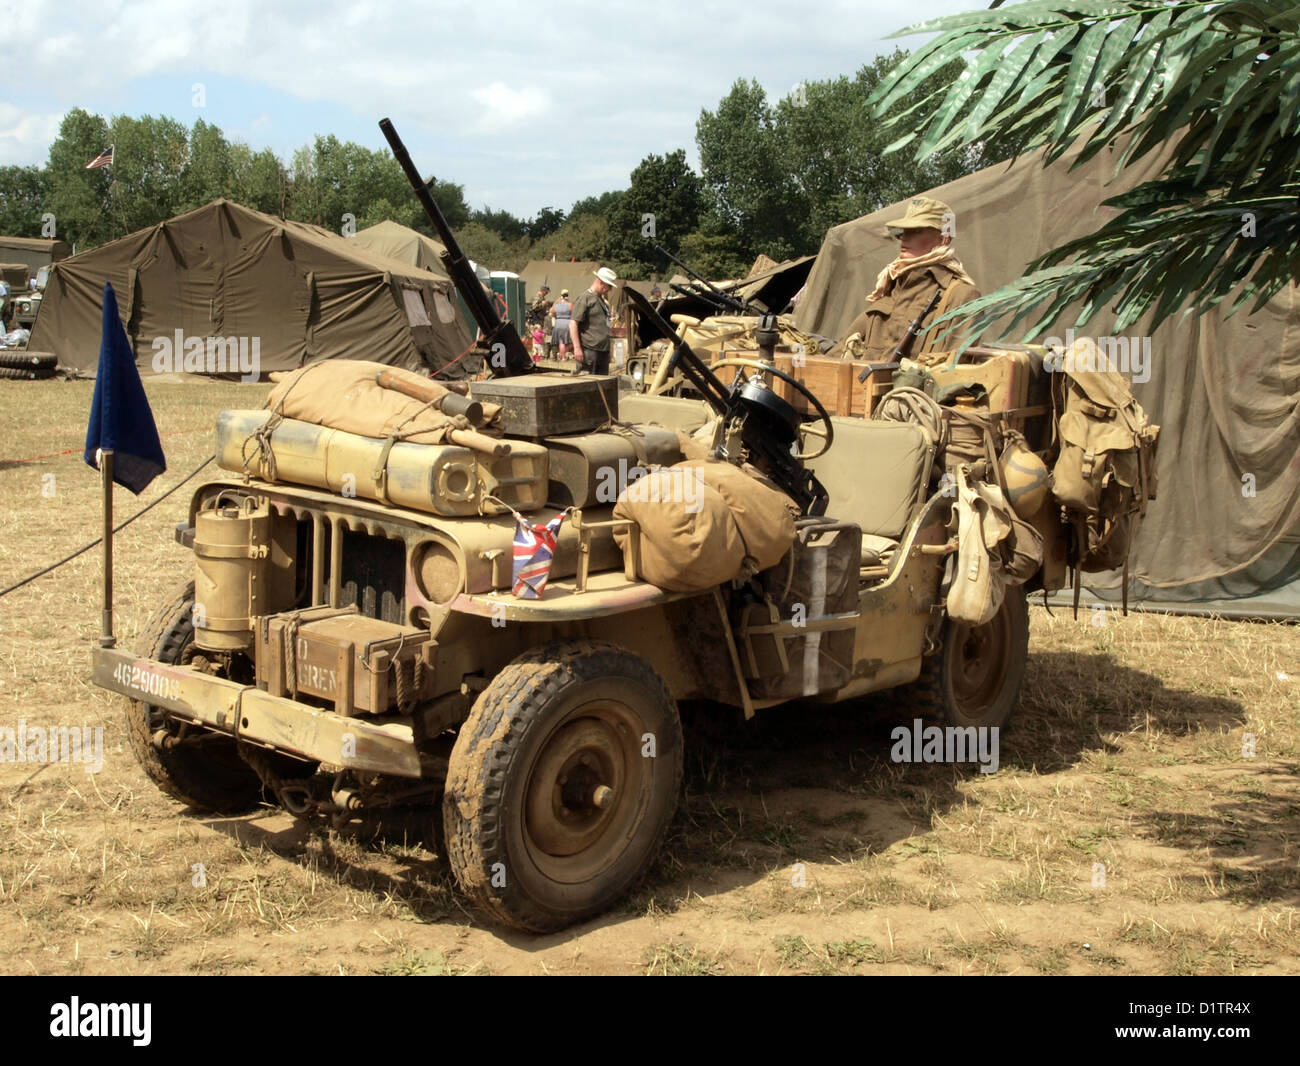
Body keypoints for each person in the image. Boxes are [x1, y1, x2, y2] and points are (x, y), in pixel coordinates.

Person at [836, 197, 980, 364]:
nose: (904, 238)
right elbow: (840, 349)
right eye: (903, 231)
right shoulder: (891, 286)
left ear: (943, 239)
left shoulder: (961, 296)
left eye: (916, 231)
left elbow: (953, 370)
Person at [570, 268, 617, 374]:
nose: (610, 289)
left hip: (603, 351)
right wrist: (577, 348)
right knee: (587, 385)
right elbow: (573, 323)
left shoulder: (601, 300)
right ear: (601, 282)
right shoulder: (585, 298)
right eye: (609, 286)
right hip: (589, 351)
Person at [551, 288, 573, 360]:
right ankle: (563, 354)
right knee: (570, 341)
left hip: (558, 323)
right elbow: (574, 313)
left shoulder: (556, 305)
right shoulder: (570, 304)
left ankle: (562, 356)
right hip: (567, 323)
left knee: (561, 341)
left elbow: (551, 312)